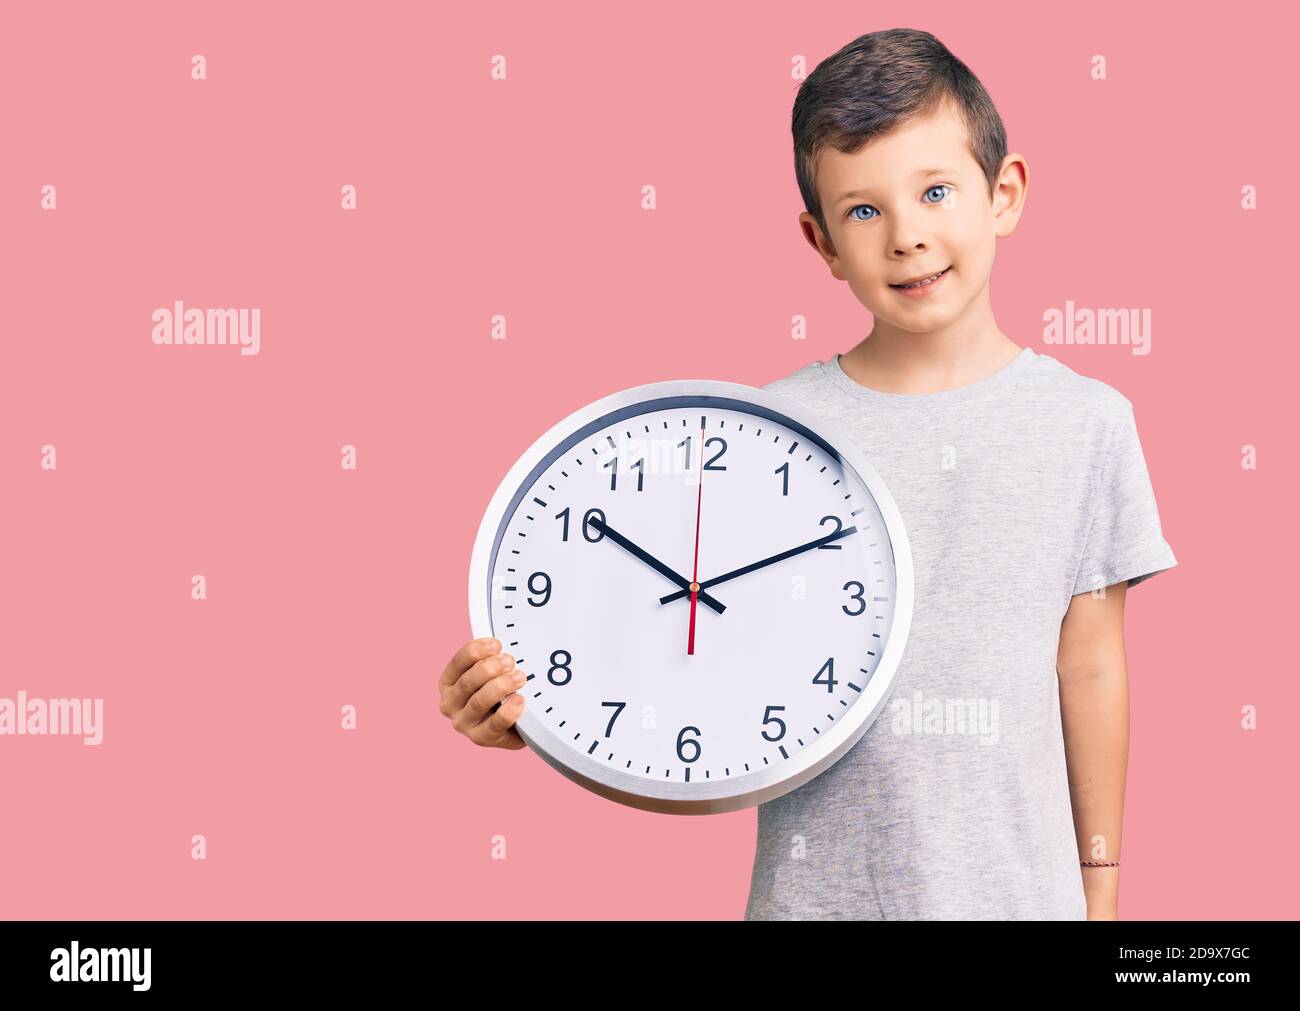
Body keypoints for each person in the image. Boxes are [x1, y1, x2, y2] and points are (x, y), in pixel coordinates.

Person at [437, 27, 1177, 921]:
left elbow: (1091, 669)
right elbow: (682, 612)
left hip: (1018, 898)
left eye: (936, 191)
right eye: (863, 211)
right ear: (820, 241)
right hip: (811, 902)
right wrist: (532, 709)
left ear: (1004, 193)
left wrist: (1101, 897)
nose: (907, 237)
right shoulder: (765, 433)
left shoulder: (1088, 422)